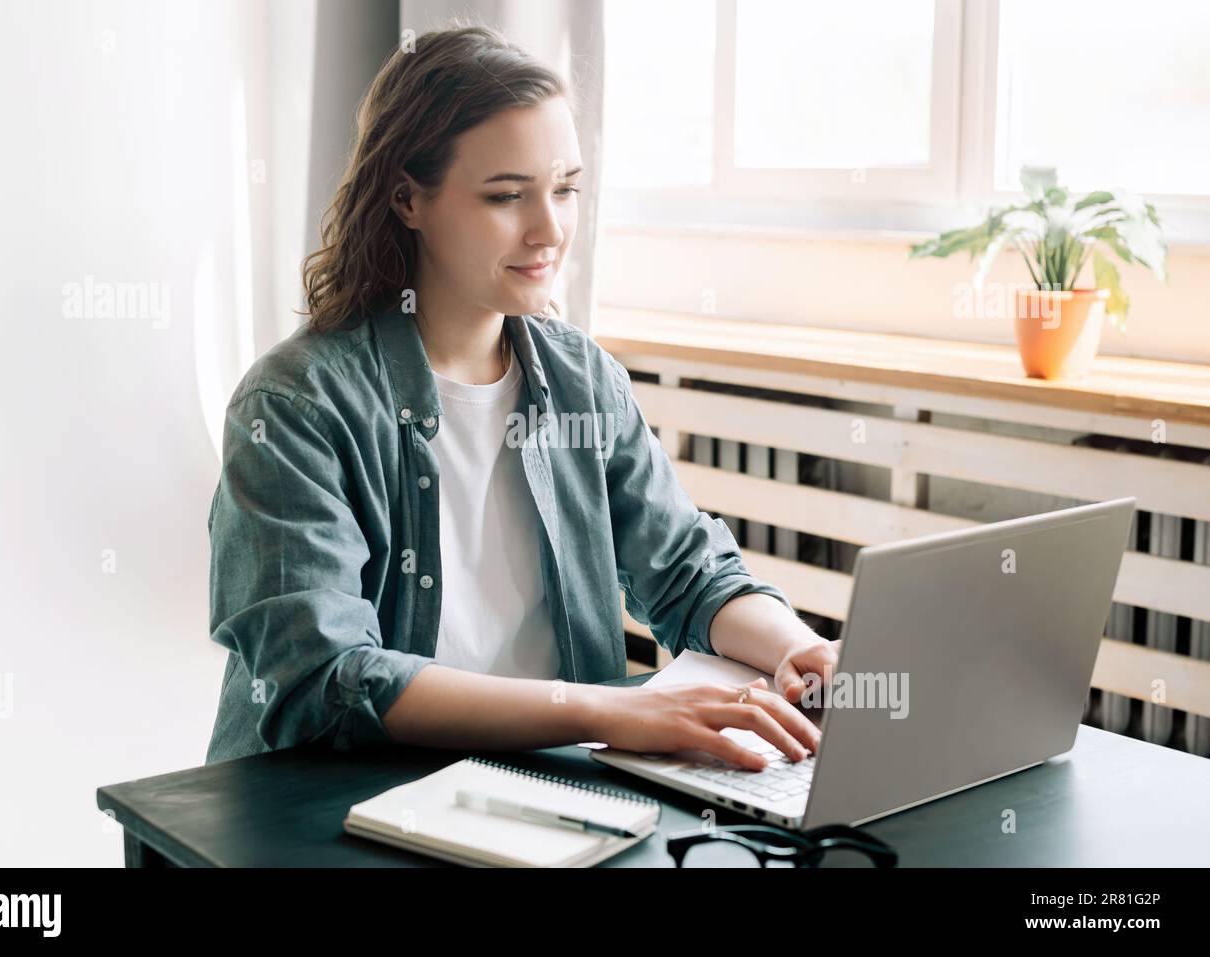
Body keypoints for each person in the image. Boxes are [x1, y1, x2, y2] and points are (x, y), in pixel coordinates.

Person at [204, 23, 840, 771]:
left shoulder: (583, 380)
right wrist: (614, 708)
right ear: (408, 198)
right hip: (346, 803)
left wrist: (800, 645)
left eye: (565, 189)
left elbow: (688, 570)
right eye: (507, 195)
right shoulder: (293, 407)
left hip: (548, 788)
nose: (550, 230)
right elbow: (328, 681)